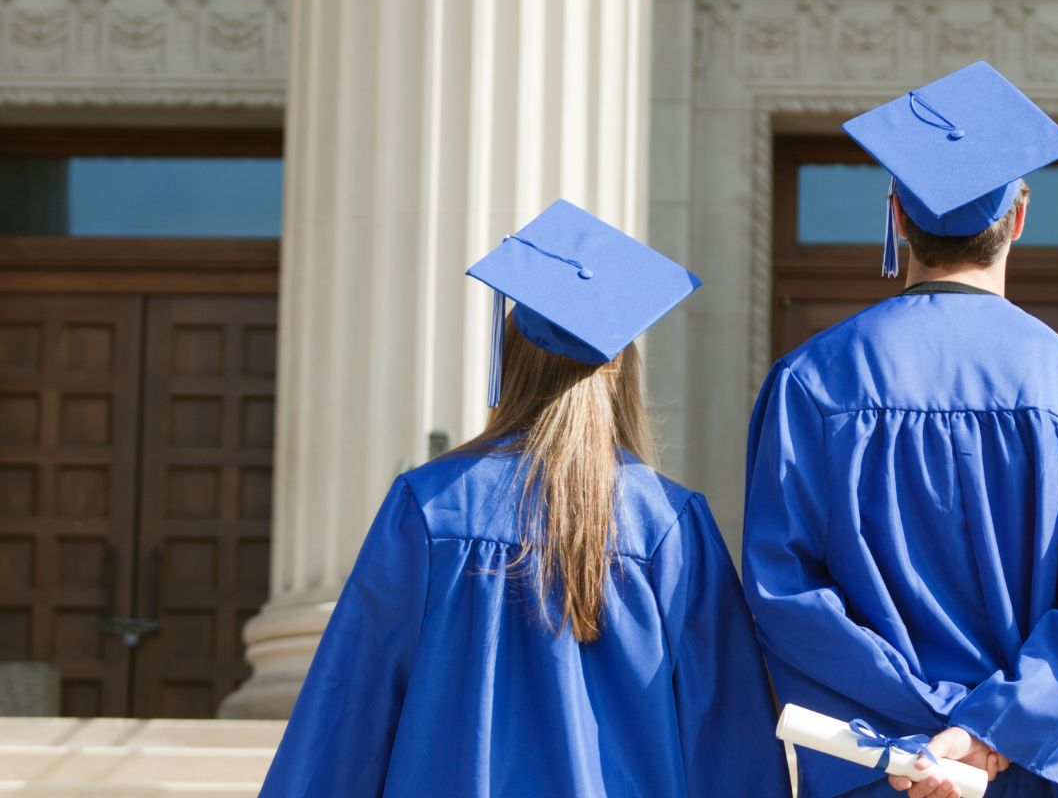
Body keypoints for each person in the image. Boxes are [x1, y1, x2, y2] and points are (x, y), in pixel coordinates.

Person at [259, 199, 789, 797]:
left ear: (509, 365)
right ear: (620, 371)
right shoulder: (667, 521)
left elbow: (353, 700)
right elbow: (723, 725)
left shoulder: (430, 505)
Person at [742, 61, 1058, 798]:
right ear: (1019, 219)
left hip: (879, 772)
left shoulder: (812, 382)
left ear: (896, 214)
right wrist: (987, 734)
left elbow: (785, 591)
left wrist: (913, 740)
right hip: (1018, 773)